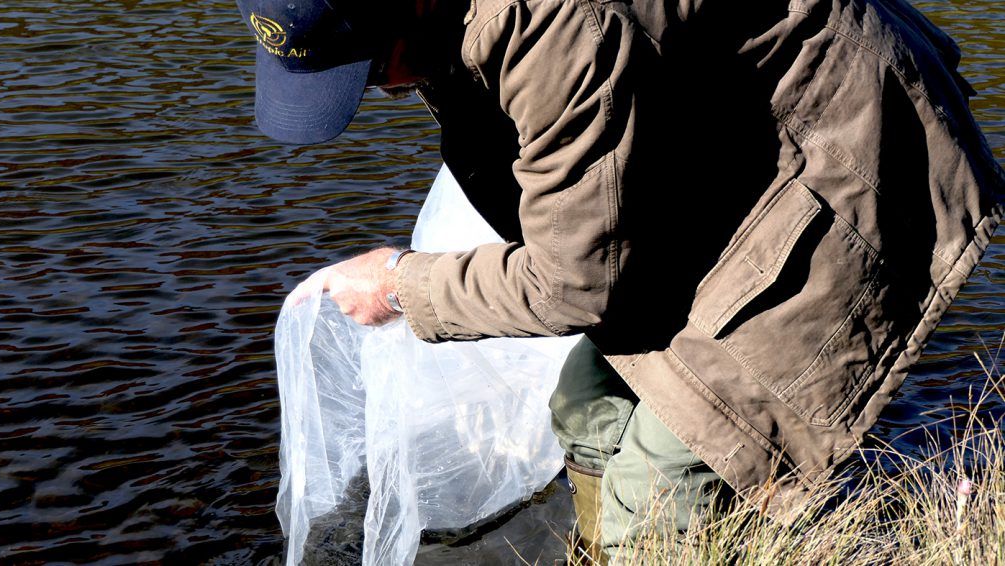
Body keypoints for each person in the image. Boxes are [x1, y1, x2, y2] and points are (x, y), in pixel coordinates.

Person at [239, 0, 1005, 560]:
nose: (380, 88)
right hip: (723, 137)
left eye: (372, 66)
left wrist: (401, 285)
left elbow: (574, 283)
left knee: (664, 482)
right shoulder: (448, 23)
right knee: (585, 406)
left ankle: (668, 544)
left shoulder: (552, 23)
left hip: (847, 153)